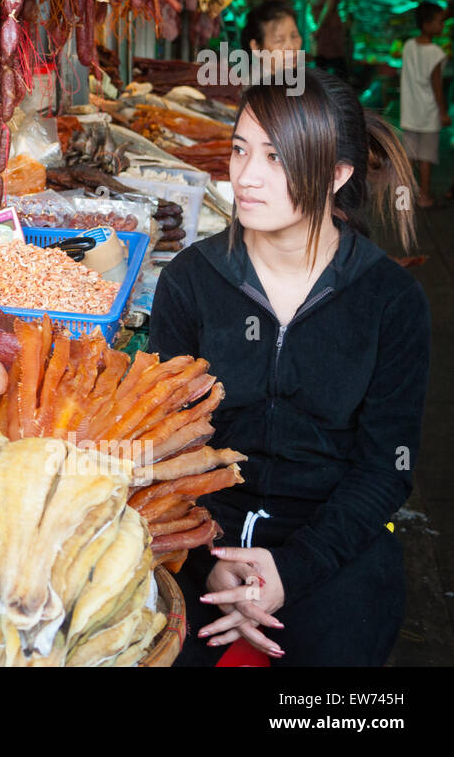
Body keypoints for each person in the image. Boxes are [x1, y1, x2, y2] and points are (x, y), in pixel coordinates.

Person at [149, 69, 430, 667]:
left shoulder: (390, 301)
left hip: (333, 539)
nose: (245, 177)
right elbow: (164, 446)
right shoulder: (190, 282)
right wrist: (210, 559)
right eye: (241, 150)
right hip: (201, 532)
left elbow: (386, 469)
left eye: (276, 158)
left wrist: (293, 571)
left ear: (336, 175)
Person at [398, 1, 450, 208]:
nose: (443, 26)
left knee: (409, 156)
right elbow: (437, 88)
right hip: (428, 113)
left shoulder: (409, 45)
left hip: (409, 111)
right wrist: (444, 113)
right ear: (427, 24)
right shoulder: (437, 53)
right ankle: (424, 196)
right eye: (439, 22)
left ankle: (404, 198)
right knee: (426, 157)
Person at [241, 0, 302, 85]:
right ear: (256, 47)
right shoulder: (255, 91)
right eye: (279, 41)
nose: (291, 47)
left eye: (294, 36)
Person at [309, 0, 350, 80]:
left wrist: (314, 26)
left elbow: (310, 2)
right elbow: (328, 8)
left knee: (321, 59)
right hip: (329, 28)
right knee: (336, 60)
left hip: (319, 25)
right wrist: (319, 28)